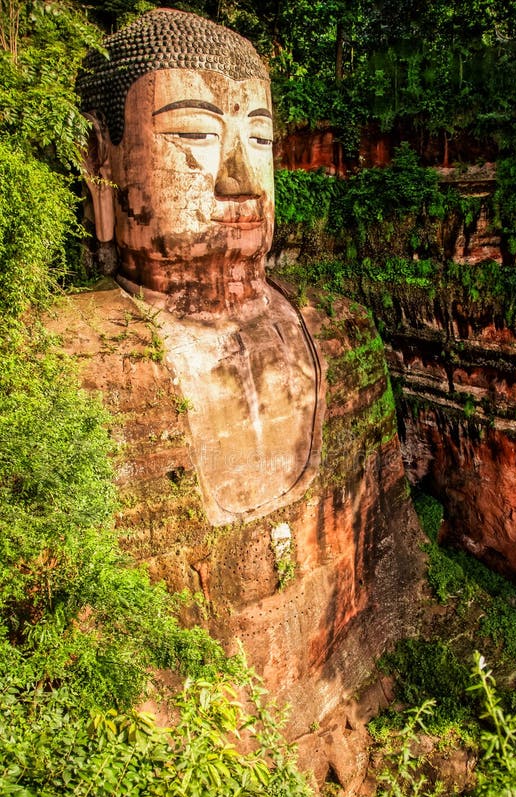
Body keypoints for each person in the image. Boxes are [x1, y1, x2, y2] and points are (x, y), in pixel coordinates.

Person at [78, 9, 323, 525]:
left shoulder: (333, 330)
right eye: (194, 132)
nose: (242, 180)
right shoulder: (74, 363)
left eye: (260, 139)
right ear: (100, 158)